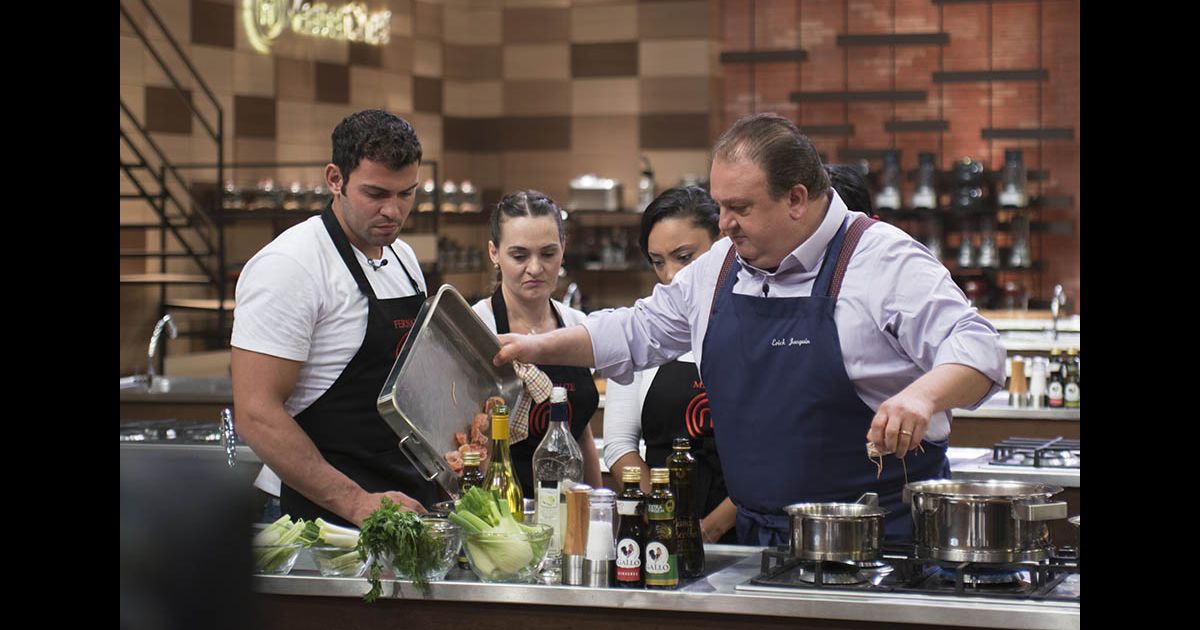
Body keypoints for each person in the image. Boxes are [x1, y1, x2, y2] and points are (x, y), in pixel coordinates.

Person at [492, 113, 1006, 545]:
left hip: (879, 543)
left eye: (740, 208)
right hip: (760, 544)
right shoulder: (721, 266)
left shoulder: (883, 261)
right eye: (720, 206)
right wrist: (536, 344)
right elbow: (634, 331)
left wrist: (921, 397)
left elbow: (979, 349)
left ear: (797, 199)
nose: (724, 223)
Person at [231, 109, 434, 527]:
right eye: (376, 194)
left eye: (406, 194)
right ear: (334, 179)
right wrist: (356, 502)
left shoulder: (404, 258)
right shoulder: (290, 266)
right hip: (315, 513)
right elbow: (256, 413)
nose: (393, 212)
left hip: (397, 497)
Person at [602, 185, 737, 544]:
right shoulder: (646, 329)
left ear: (723, 242)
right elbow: (618, 445)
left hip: (746, 525)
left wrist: (712, 527)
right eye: (658, 261)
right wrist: (665, 515)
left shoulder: (749, 326)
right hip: (662, 530)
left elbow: (774, 453)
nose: (671, 276)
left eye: (684, 257)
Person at [470, 190, 604, 497]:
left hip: (571, 511)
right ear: (494, 253)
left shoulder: (577, 325)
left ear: (563, 249)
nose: (535, 268)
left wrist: (599, 517)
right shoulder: (477, 329)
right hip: (502, 513)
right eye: (519, 256)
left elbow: (581, 433)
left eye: (547, 253)